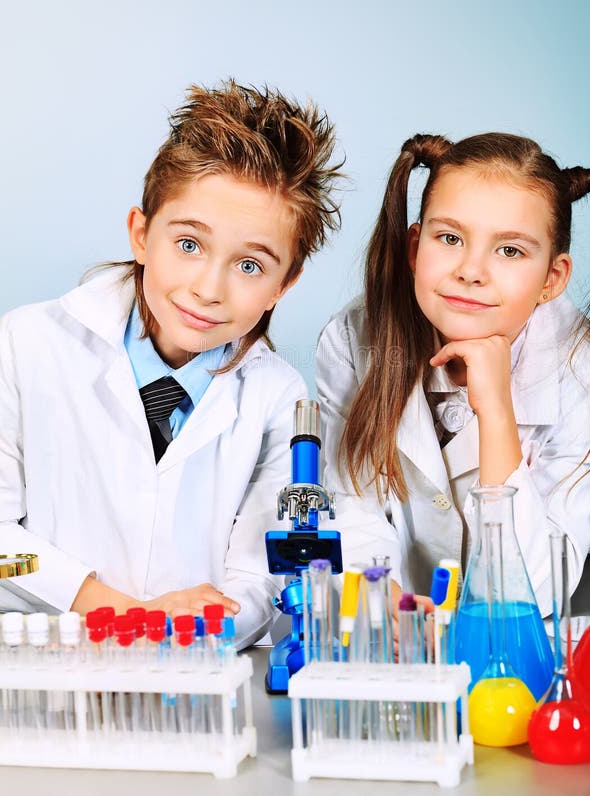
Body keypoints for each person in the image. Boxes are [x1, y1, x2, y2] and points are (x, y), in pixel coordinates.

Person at [0, 81, 342, 648]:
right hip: (46, 673)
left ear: (285, 284)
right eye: (189, 244)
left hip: (192, 679)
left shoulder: (278, 396)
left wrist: (198, 627)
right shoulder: (24, 344)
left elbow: (260, 578)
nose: (208, 288)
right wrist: (129, 615)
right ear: (140, 234)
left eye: (251, 266)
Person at [317, 132, 590, 618]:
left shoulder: (582, 371)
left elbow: (532, 590)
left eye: (510, 251)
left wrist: (497, 413)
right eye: (449, 238)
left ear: (552, 279)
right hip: (402, 638)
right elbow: (353, 510)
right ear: (414, 246)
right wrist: (386, 609)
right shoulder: (352, 338)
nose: (471, 271)